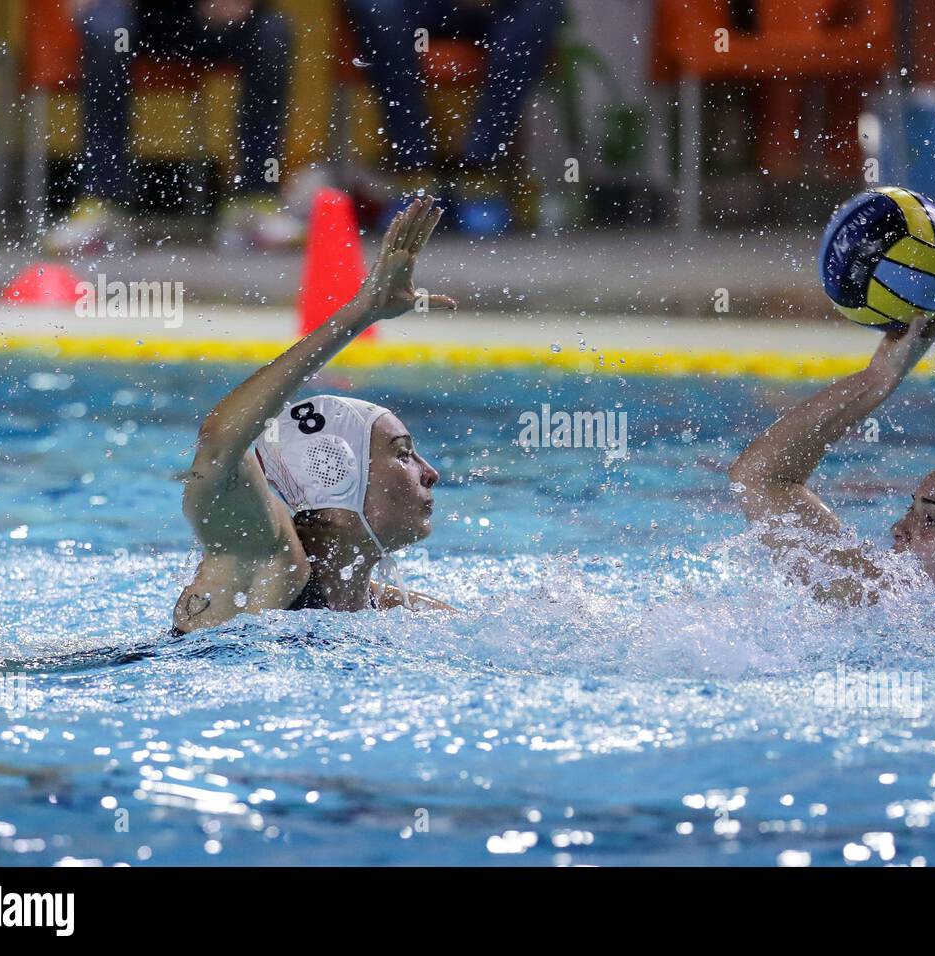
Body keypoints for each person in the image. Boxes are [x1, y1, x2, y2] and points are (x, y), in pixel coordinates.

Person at [171, 196, 454, 636]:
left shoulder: (386, 607)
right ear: (338, 475)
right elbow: (220, 443)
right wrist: (363, 311)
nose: (430, 473)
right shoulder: (265, 562)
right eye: (403, 454)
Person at [728, 296, 935, 604]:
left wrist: (876, 382)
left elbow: (762, 478)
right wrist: (875, 377)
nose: (898, 528)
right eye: (913, 508)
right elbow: (761, 480)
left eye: (931, 520)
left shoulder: (881, 603)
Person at [47, 0, 301, 254]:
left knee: (272, 33)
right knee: (106, 30)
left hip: (208, 19)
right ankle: (102, 203)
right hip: (132, 21)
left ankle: (255, 199)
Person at [344, 0, 565, 175]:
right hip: (417, 8)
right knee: (373, 4)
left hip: (495, 12)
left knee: (541, 5)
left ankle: (480, 161)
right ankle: (412, 162)